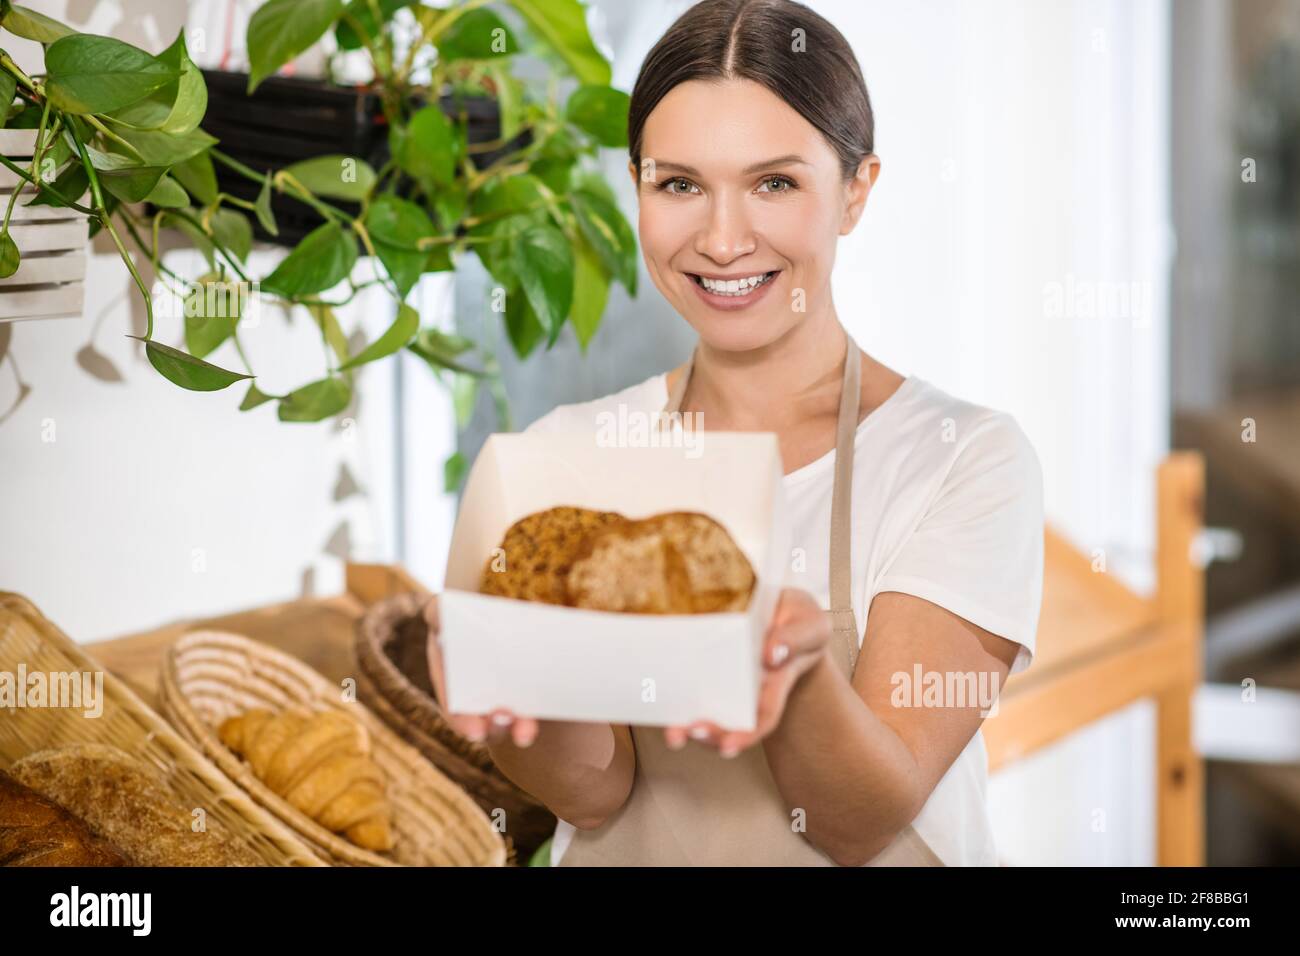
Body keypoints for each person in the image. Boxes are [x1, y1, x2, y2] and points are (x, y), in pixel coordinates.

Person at [423, 0, 1045, 866]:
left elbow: (864, 819)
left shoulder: (962, 460)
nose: (721, 240)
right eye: (679, 184)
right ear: (636, 183)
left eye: (775, 183)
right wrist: (512, 685)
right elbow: (595, 791)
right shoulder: (570, 453)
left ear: (855, 192)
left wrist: (793, 677)